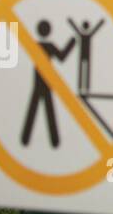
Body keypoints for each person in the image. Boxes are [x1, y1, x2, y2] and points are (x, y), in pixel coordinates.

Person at [21, 20, 75, 148]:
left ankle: (25, 139)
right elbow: (62, 56)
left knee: (34, 108)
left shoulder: (34, 45)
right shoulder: (49, 46)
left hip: (39, 78)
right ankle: (54, 141)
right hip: (46, 79)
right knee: (47, 109)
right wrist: (72, 42)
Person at [66, 17, 105, 94]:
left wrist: (71, 22)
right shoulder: (86, 35)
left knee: (84, 70)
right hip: (85, 55)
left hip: (85, 55)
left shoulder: (84, 35)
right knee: (83, 70)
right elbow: (94, 30)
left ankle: (84, 88)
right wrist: (101, 23)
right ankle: (83, 87)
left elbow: (76, 28)